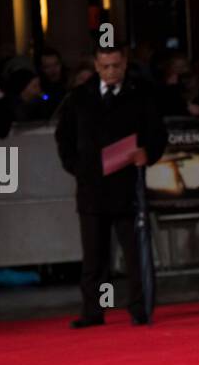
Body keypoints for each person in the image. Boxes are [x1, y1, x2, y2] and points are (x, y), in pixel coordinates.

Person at [54, 45, 167, 328]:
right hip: (92, 187)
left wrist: (147, 153)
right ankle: (94, 310)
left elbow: (157, 133)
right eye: (106, 66)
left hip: (128, 186)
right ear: (96, 65)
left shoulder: (140, 95)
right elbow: (64, 137)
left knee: (134, 254)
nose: (111, 71)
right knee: (94, 256)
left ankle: (140, 308)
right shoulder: (79, 97)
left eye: (116, 65)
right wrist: (77, 168)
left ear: (125, 64)